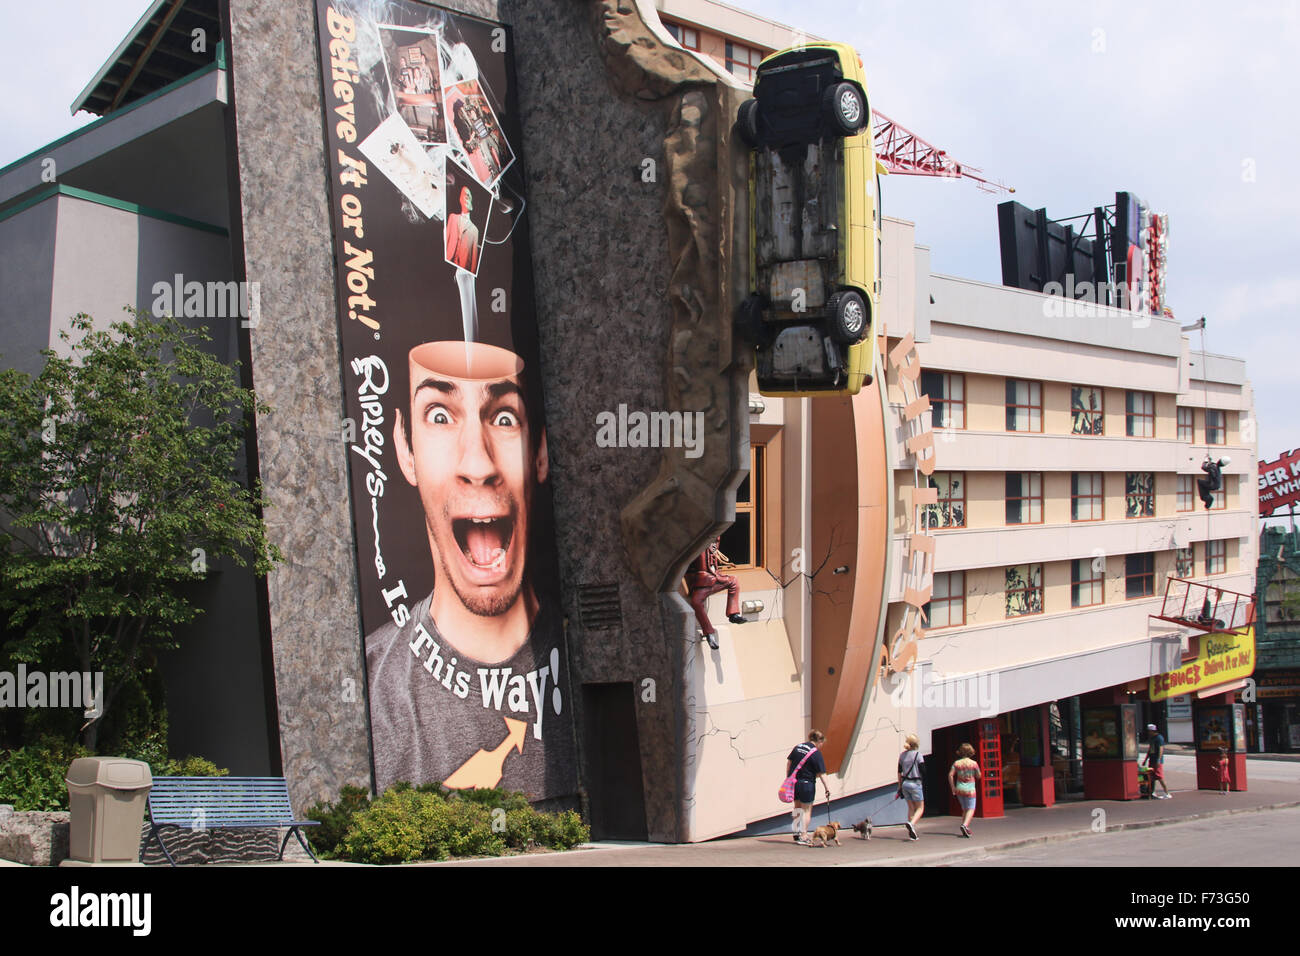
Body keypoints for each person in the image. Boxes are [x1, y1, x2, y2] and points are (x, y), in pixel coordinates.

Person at [365, 341, 575, 799]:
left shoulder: (589, 660)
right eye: (439, 415)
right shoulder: (373, 689)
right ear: (405, 450)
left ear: (540, 451)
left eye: (504, 418)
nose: (478, 464)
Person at [685, 537, 744, 649]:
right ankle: (709, 634)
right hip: (702, 583)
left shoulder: (713, 543)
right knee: (696, 602)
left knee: (734, 581)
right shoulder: (697, 541)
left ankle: (733, 614)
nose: (716, 543)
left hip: (716, 578)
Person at [787, 730, 831, 845]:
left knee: (797, 808)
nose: (821, 746)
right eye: (822, 744)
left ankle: (796, 833)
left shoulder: (797, 747)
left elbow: (789, 763)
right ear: (819, 741)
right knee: (806, 810)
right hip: (807, 784)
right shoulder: (815, 753)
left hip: (795, 783)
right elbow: (822, 773)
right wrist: (827, 788)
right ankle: (804, 835)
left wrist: (788, 778)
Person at [445, 185, 480, 273]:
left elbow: (474, 259)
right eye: (464, 194)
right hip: (447, 261)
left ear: (471, 203)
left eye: (468, 195)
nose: (466, 197)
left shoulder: (475, 230)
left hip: (463, 269)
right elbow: (445, 239)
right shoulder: (452, 218)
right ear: (460, 199)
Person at [948, 743, 981, 837]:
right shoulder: (974, 763)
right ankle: (965, 825)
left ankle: (965, 828)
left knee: (965, 809)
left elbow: (950, 775)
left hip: (959, 789)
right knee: (971, 809)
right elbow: (979, 776)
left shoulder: (956, 763)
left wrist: (953, 787)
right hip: (970, 789)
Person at [897, 733, 925, 840]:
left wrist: (899, 787)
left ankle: (912, 832)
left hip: (905, 784)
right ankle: (911, 824)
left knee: (911, 807)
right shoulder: (918, 755)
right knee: (920, 808)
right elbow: (923, 770)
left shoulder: (902, 755)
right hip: (915, 783)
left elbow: (899, 772)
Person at [1145, 723, 1170, 799]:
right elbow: (1150, 749)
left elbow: (1161, 749)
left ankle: (1167, 792)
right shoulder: (1152, 738)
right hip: (1152, 760)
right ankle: (1151, 791)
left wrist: (1159, 759)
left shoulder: (1159, 738)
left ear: (1153, 731)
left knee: (1159, 776)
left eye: (1149, 731)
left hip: (1157, 760)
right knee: (1151, 776)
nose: (1148, 733)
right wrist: (1146, 759)